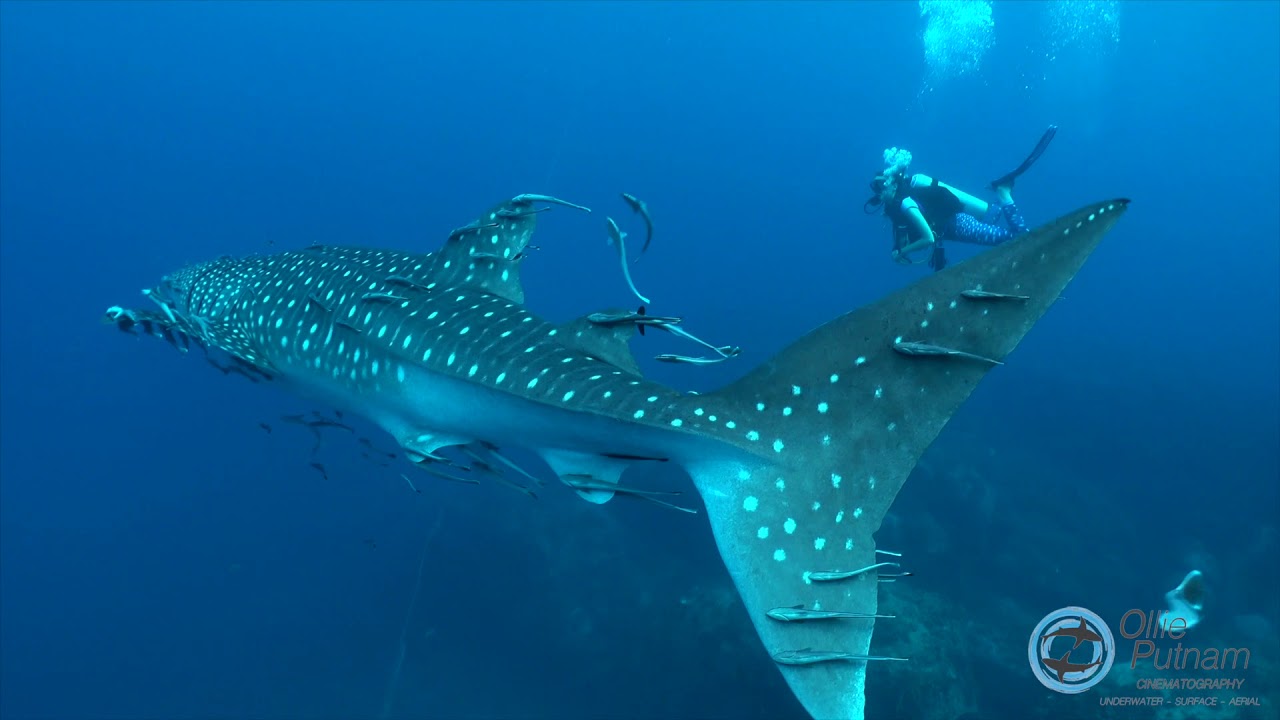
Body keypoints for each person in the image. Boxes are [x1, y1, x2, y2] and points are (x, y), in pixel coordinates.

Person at [864, 127, 1055, 271]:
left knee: (1020, 239)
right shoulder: (896, 208)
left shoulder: (905, 203)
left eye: (881, 188)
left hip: (958, 225)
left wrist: (903, 252)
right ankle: (998, 204)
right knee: (1012, 237)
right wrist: (899, 249)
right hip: (952, 229)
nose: (879, 195)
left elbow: (928, 238)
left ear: (894, 185)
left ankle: (1004, 194)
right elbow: (906, 235)